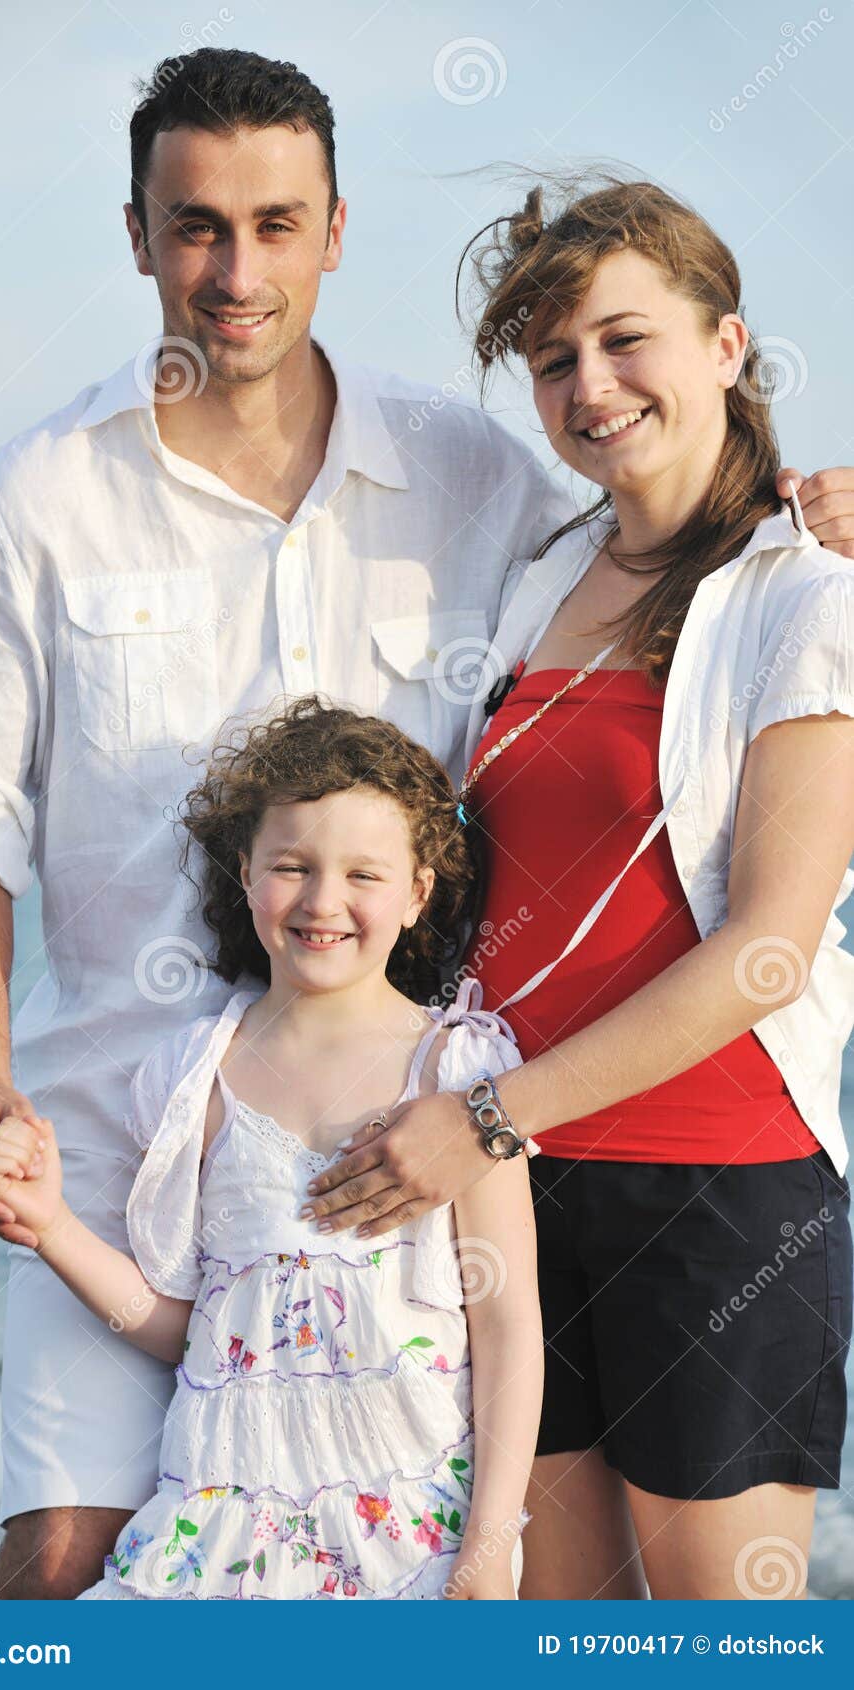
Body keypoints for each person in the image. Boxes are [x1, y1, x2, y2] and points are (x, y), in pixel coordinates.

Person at [0, 46, 854, 1599]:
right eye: (195, 225)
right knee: (72, 1547)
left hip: (446, 1151)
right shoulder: (38, 497)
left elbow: (701, 601)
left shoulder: (478, 483)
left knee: (444, 1584)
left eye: (275, 223)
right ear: (137, 235)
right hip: (153, 1135)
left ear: (336, 230)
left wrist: (820, 518)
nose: (235, 268)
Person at [303, 177, 854, 1601]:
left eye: (625, 340)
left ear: (726, 346)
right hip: (519, 1196)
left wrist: (477, 1121)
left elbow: (767, 953)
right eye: (551, 360)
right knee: (537, 1638)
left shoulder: (805, 592)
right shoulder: (533, 574)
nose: (588, 387)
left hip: (715, 1196)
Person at [0, 698, 544, 1599]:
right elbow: (183, 1326)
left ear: (418, 892)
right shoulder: (194, 1077)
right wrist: (48, 1225)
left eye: (364, 873)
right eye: (292, 866)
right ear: (244, 874)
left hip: (405, 1533)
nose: (323, 901)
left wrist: (489, 1547)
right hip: (216, 1530)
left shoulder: (457, 1074)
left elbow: (509, 1331)